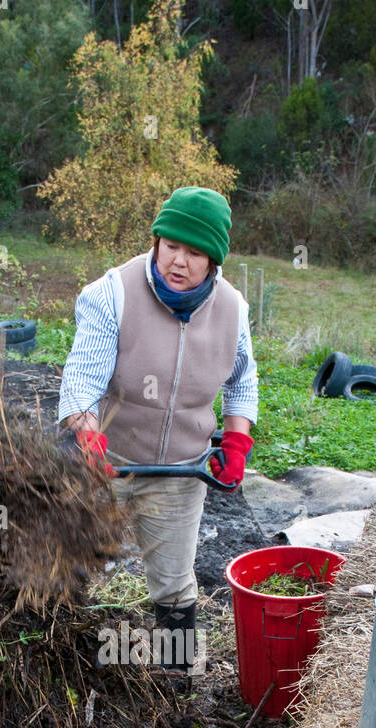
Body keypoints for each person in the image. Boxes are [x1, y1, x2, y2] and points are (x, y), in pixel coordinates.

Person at [58, 185, 259, 680]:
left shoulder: (232, 309)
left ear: (213, 261)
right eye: (171, 245)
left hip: (180, 469)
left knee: (173, 584)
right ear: (156, 241)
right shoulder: (112, 293)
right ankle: (56, 666)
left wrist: (236, 441)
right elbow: (81, 382)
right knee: (72, 567)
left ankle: (176, 687)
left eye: (194, 252)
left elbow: (243, 381)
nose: (179, 261)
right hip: (107, 458)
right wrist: (89, 441)